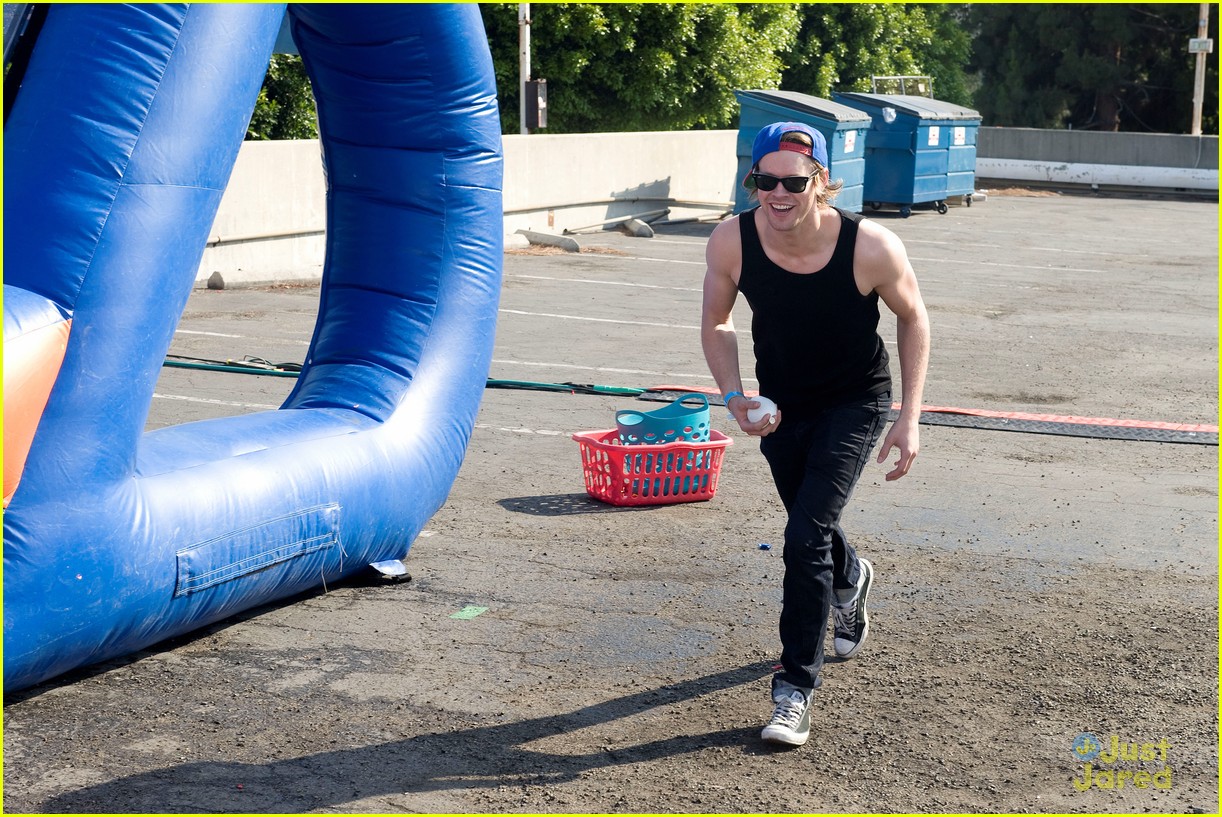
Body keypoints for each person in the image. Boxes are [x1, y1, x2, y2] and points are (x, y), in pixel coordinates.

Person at [701, 121, 930, 747]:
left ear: (820, 183)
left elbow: (913, 320)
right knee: (815, 527)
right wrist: (735, 397)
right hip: (781, 404)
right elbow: (717, 323)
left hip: (854, 402)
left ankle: (794, 688)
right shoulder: (731, 240)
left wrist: (908, 417)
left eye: (793, 182)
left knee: (802, 536)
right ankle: (850, 578)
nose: (777, 193)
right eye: (764, 181)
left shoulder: (870, 247)